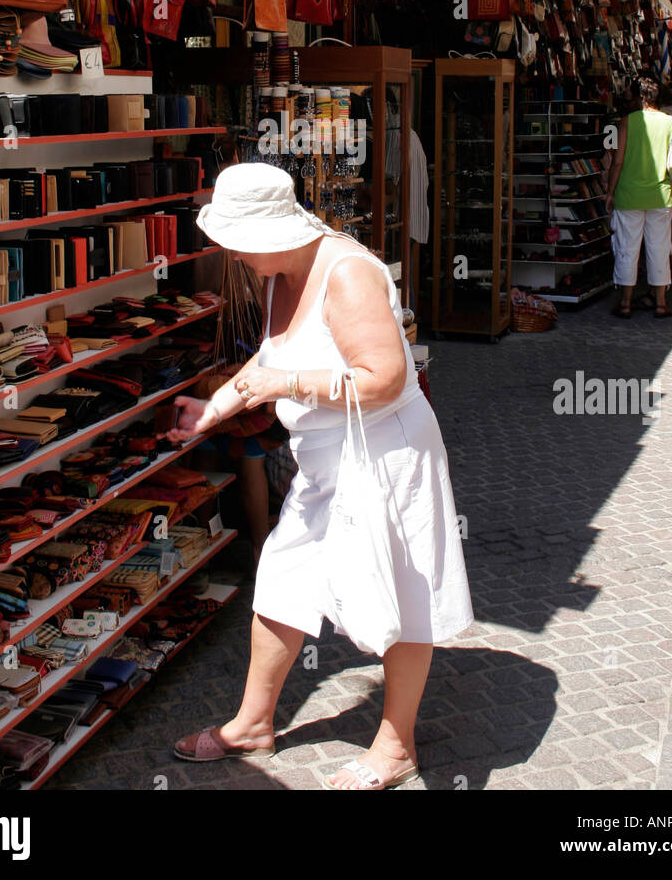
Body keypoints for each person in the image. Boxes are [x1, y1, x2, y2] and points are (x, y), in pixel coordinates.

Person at [167, 162, 473, 790]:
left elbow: (385, 379)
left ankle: (396, 745)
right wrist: (214, 409)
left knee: (401, 589)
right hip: (325, 457)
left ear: (269, 228)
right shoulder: (281, 270)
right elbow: (270, 359)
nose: (229, 251)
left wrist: (288, 385)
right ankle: (253, 724)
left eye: (235, 239)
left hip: (388, 453)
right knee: (283, 573)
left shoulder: (348, 274)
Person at [605, 77, 672, 319]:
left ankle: (626, 303)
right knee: (659, 249)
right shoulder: (671, 122)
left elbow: (617, 162)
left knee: (628, 248)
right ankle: (661, 303)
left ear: (639, 98)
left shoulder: (627, 122)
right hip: (661, 195)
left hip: (629, 194)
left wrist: (610, 191)